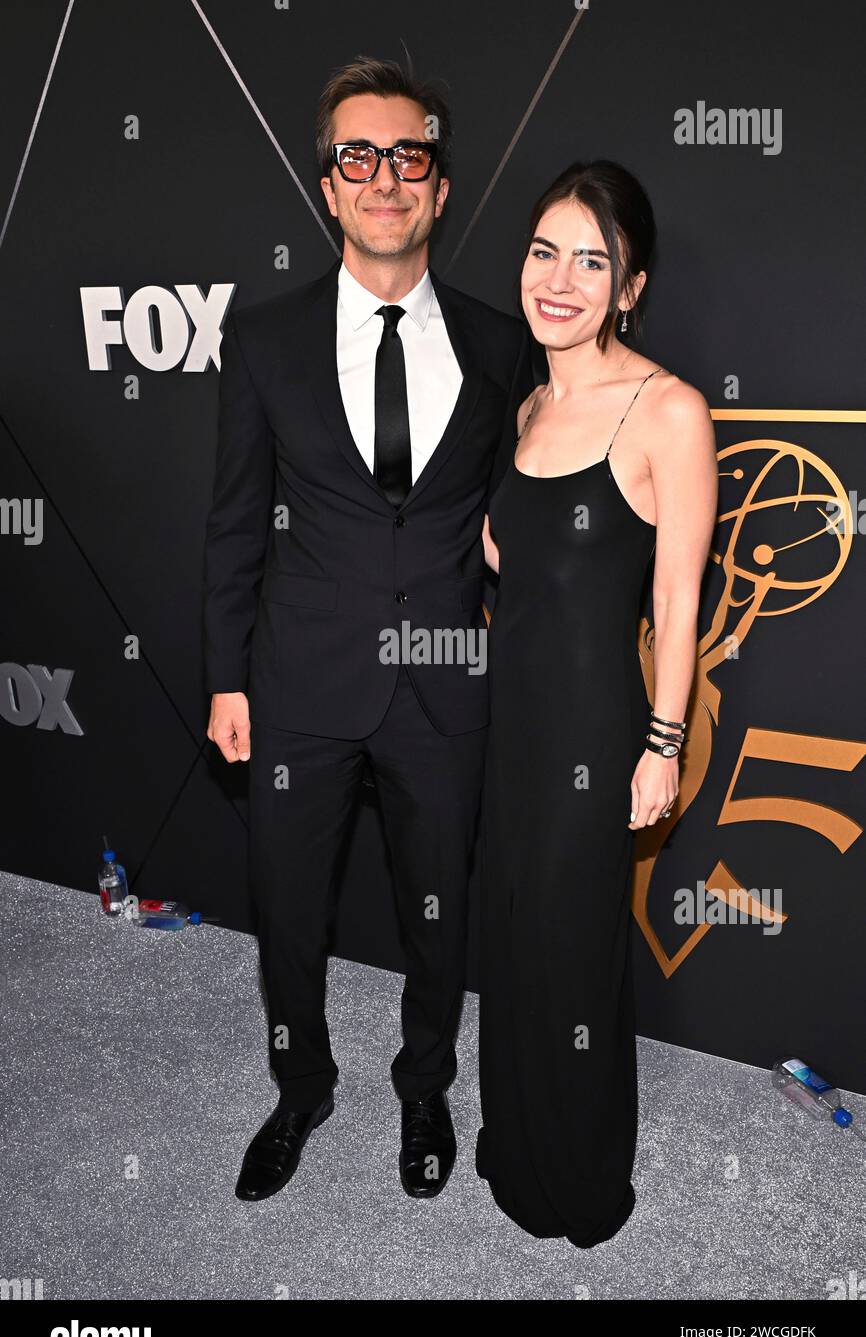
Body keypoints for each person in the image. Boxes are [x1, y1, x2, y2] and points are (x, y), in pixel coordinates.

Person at [202, 56, 534, 1202]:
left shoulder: (499, 345)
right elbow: (234, 525)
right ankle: (299, 1089)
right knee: (285, 915)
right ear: (329, 188)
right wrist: (224, 680)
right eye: (359, 157)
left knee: (436, 915)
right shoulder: (265, 340)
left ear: (438, 188)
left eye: (409, 156)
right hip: (297, 682)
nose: (384, 177)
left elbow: (519, 523)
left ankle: (426, 1086)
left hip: (444, 688)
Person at [475, 160, 718, 1246]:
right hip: (507, 728)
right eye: (542, 252)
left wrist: (660, 744)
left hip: (590, 735)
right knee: (514, 941)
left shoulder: (668, 411)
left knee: (573, 957)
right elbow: (502, 560)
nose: (559, 280)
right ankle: (512, 1145)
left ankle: (579, 1184)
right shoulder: (525, 402)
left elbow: (675, 598)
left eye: (591, 260)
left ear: (629, 285)